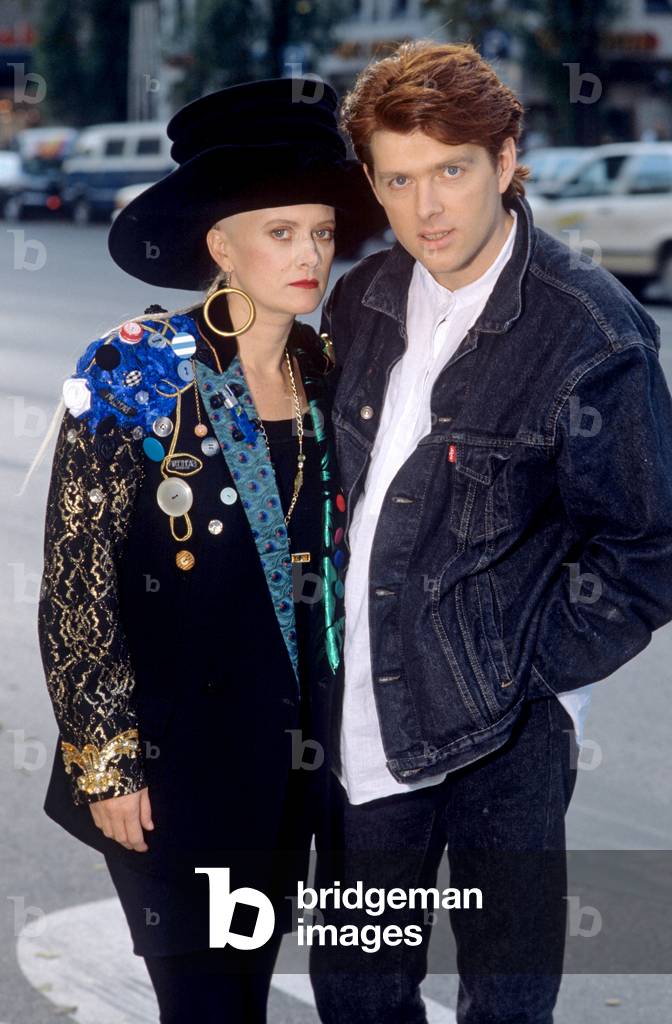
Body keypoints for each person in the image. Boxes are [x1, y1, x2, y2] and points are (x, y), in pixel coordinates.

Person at [309, 41, 672, 1023]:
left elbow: (647, 549)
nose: (427, 206)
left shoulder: (589, 330)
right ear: (373, 183)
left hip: (504, 742)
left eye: (452, 170)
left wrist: (524, 674)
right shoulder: (363, 300)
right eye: (399, 178)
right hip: (362, 730)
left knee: (507, 1004)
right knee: (356, 994)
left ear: (506, 160)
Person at [36, 77, 384, 1023]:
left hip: (286, 767)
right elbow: (77, 579)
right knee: (203, 1007)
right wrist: (108, 765)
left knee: (245, 996)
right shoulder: (132, 365)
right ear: (219, 244)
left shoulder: (327, 372)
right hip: (167, 765)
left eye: (319, 230)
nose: (310, 253)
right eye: (280, 232)